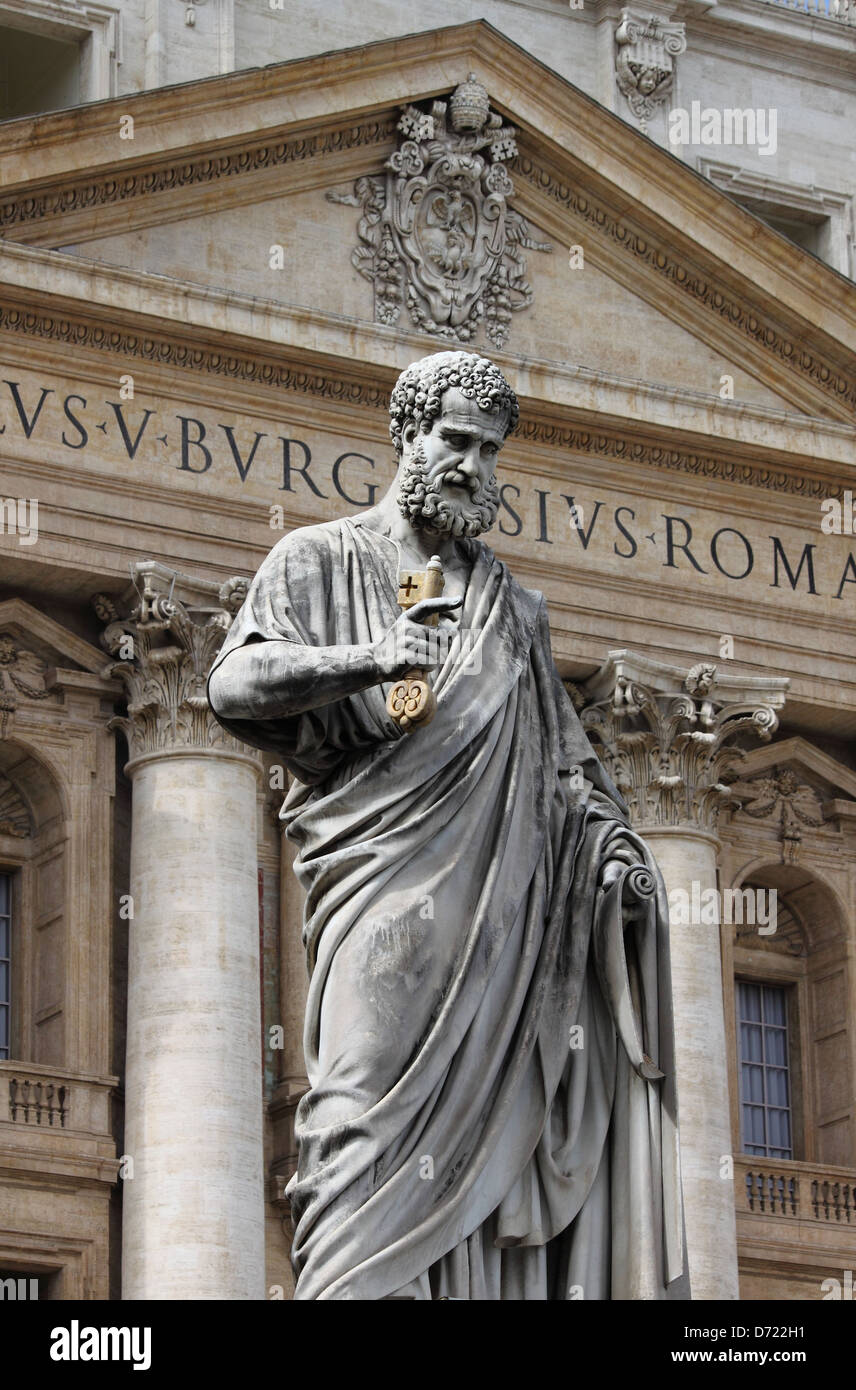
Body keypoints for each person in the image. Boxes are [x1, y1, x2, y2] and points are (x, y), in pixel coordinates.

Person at [207, 350, 685, 1300]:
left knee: (480, 1147)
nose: (474, 464)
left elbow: (568, 777)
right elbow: (231, 685)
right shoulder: (319, 558)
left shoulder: (517, 611)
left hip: (506, 928)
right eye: (456, 440)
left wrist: (618, 864)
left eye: (490, 449)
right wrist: (369, 659)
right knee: (356, 1116)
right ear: (408, 437)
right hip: (381, 902)